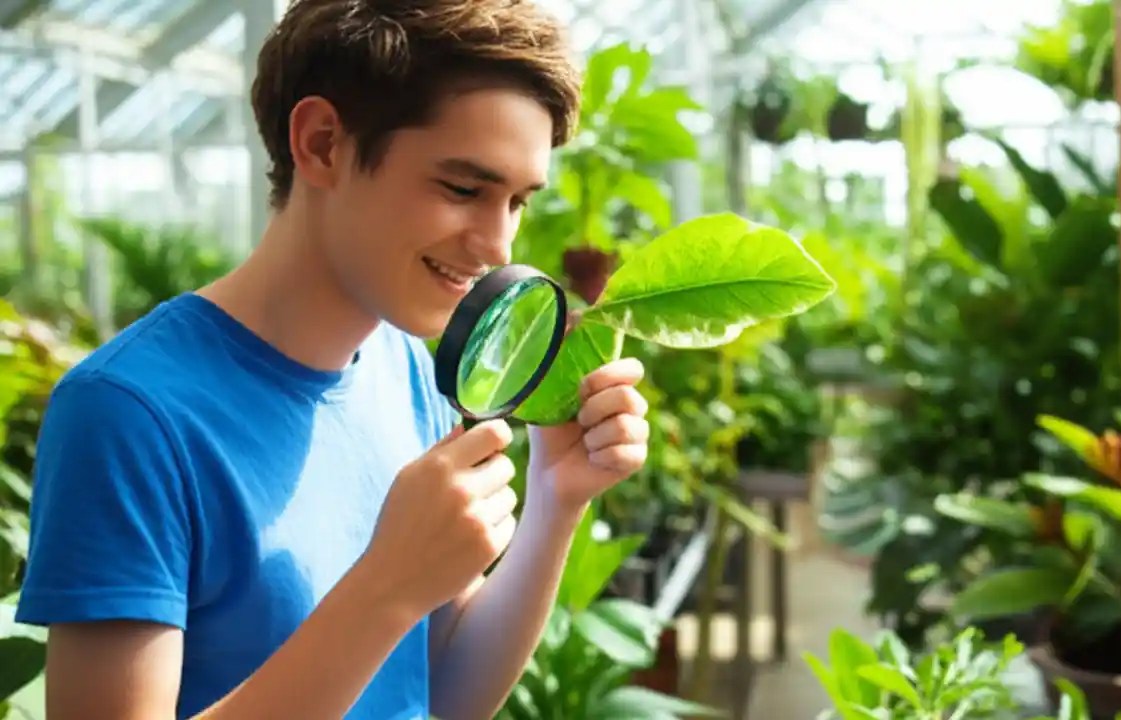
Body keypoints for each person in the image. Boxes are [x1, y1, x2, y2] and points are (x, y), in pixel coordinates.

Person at [15, 1, 651, 718]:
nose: (499, 246)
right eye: (464, 189)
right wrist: (384, 588)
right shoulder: (127, 414)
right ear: (321, 144)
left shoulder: (407, 370)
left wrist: (556, 498)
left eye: (518, 202)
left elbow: (438, 691)